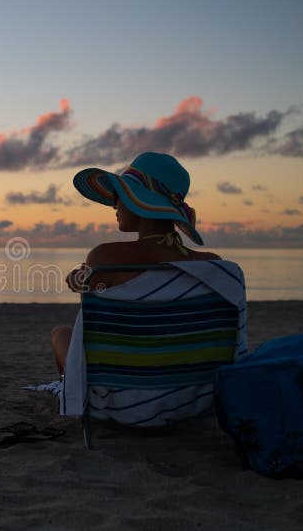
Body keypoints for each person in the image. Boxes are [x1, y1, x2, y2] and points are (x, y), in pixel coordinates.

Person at [51, 152, 221, 375]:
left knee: (61, 334)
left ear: (137, 199)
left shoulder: (104, 258)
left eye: (119, 195)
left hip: (117, 396)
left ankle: (71, 393)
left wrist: (88, 277)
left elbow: (93, 330)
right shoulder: (214, 265)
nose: (114, 205)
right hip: (191, 390)